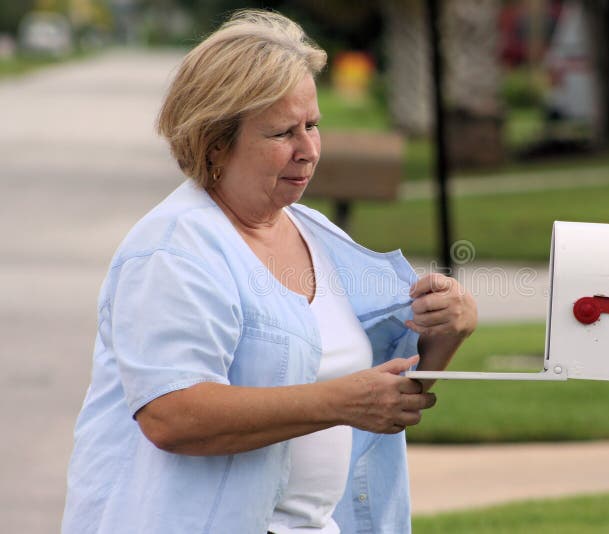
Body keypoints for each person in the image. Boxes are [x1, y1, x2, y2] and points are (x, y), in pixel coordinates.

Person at [61, 9, 477, 534]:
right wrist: (340, 402)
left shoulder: (313, 232)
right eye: (282, 133)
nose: (308, 151)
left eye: (313, 125)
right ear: (215, 144)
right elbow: (171, 415)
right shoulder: (173, 251)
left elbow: (386, 397)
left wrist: (448, 331)